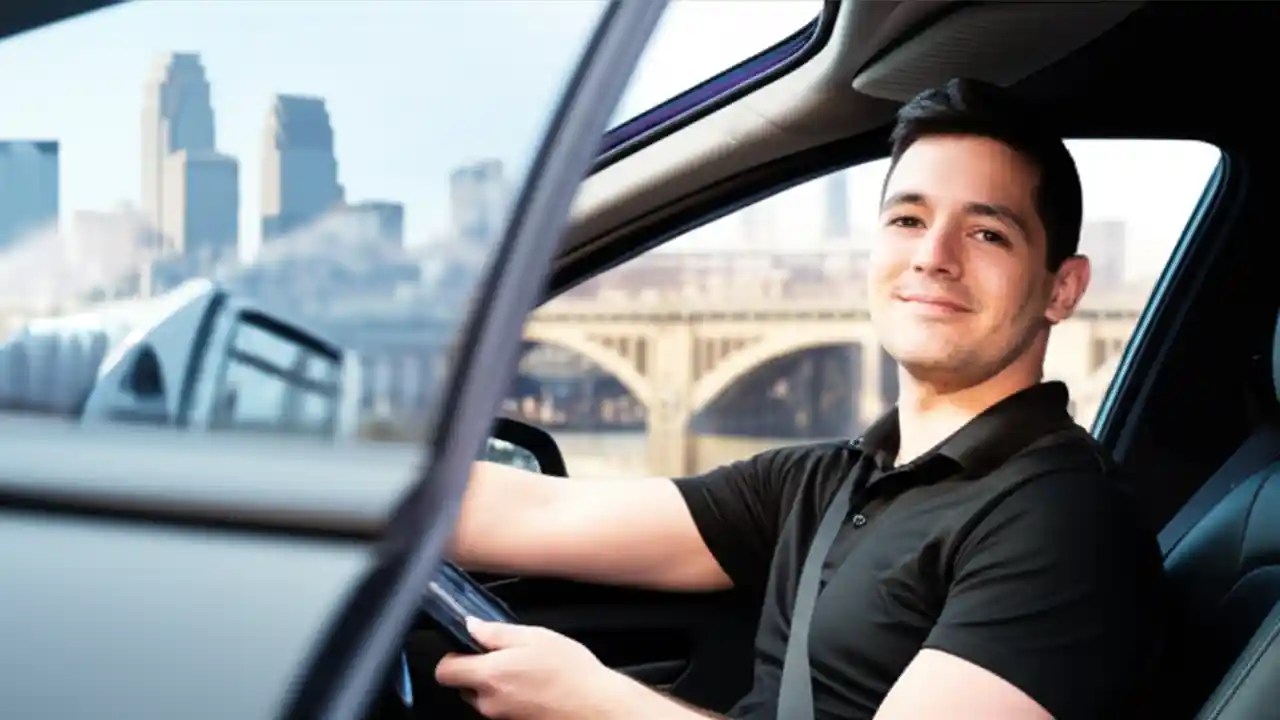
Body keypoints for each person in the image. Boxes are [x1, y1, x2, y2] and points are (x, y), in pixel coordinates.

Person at [434, 78, 1165, 720]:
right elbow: (532, 511)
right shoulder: (823, 485)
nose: (933, 256)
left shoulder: (1064, 521)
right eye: (908, 219)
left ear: (1062, 288)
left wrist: (600, 704)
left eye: (986, 232)